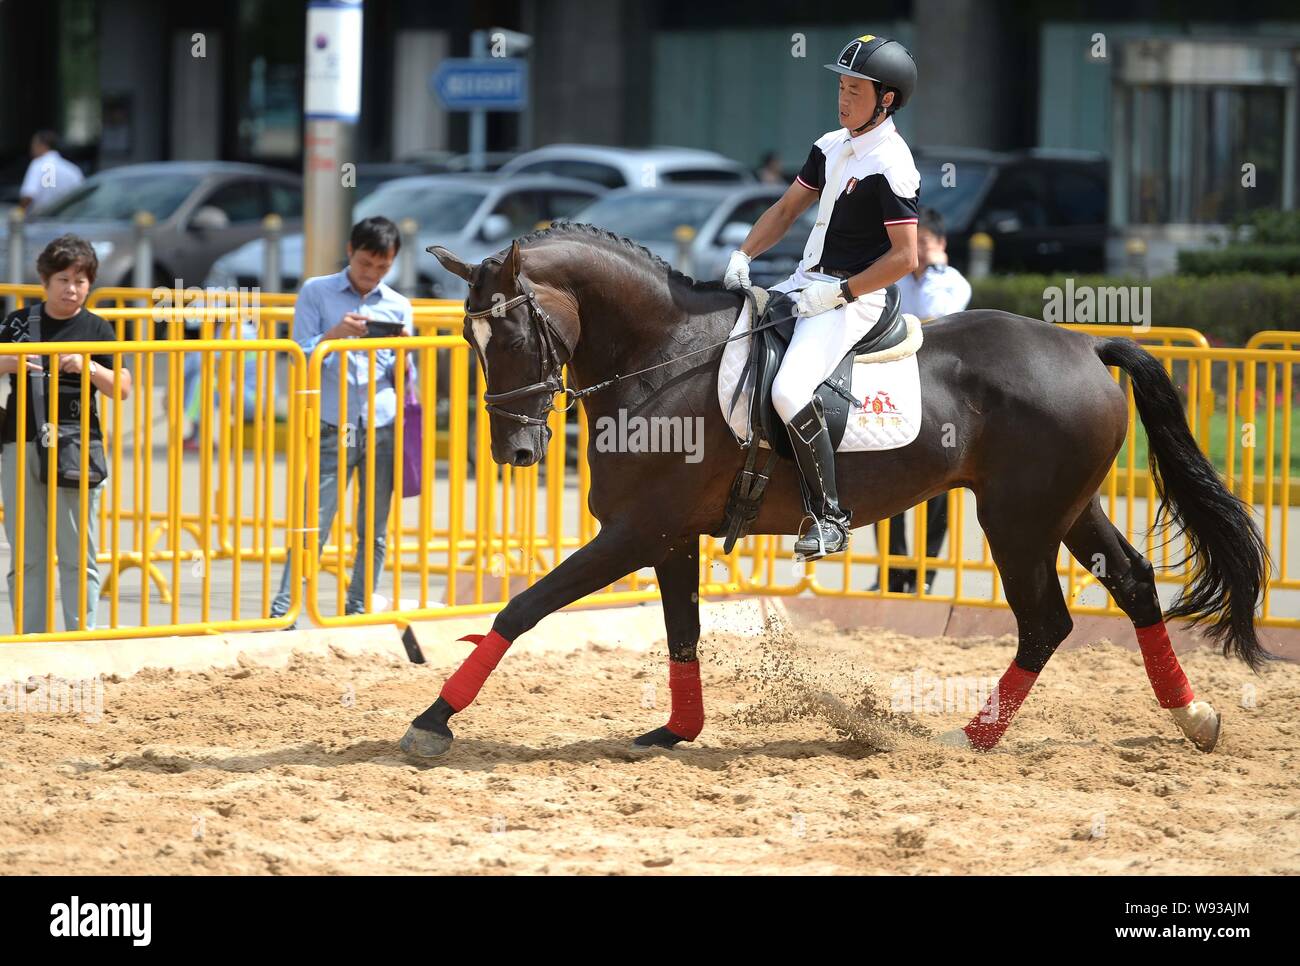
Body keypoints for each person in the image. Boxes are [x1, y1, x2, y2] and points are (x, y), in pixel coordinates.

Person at [724, 34, 920, 561]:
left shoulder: (893, 163)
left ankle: (830, 516)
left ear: (887, 99)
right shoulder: (832, 146)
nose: (843, 96)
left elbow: (906, 258)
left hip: (855, 297)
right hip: (805, 281)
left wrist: (839, 293)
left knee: (789, 390)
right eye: (840, 85)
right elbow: (787, 210)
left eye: (855, 89)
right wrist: (743, 255)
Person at [270, 217, 412, 627]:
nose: (372, 274)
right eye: (367, 263)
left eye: (383, 268)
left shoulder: (399, 304)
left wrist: (403, 350)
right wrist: (334, 334)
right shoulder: (317, 291)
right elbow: (298, 356)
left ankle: (359, 606)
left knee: (375, 529)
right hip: (333, 422)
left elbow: (406, 375)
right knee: (313, 521)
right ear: (350, 251)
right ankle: (286, 611)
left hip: (381, 421)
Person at [0, 235, 132, 632]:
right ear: (45, 281)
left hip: (76, 445)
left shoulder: (97, 328)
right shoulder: (20, 322)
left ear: (90, 284)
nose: (71, 289)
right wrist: (12, 361)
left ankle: (80, 637)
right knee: (28, 552)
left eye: (80, 280)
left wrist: (89, 366)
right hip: (21, 440)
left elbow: (122, 388)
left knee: (78, 552)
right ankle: (31, 638)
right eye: (63, 279)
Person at [873, 207, 971, 592]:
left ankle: (926, 576)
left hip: (941, 392)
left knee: (938, 482)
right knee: (885, 477)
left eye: (928, 241)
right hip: (895, 383)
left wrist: (933, 269)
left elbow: (937, 313)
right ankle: (892, 574)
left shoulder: (952, 282)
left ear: (942, 245)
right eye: (917, 242)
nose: (921, 248)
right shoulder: (894, 280)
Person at [19, 131, 84, 213]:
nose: (31, 149)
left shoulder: (38, 165)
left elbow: (28, 195)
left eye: (34, 144)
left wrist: (20, 212)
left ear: (43, 145)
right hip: (68, 220)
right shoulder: (73, 170)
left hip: (40, 221)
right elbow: (81, 196)